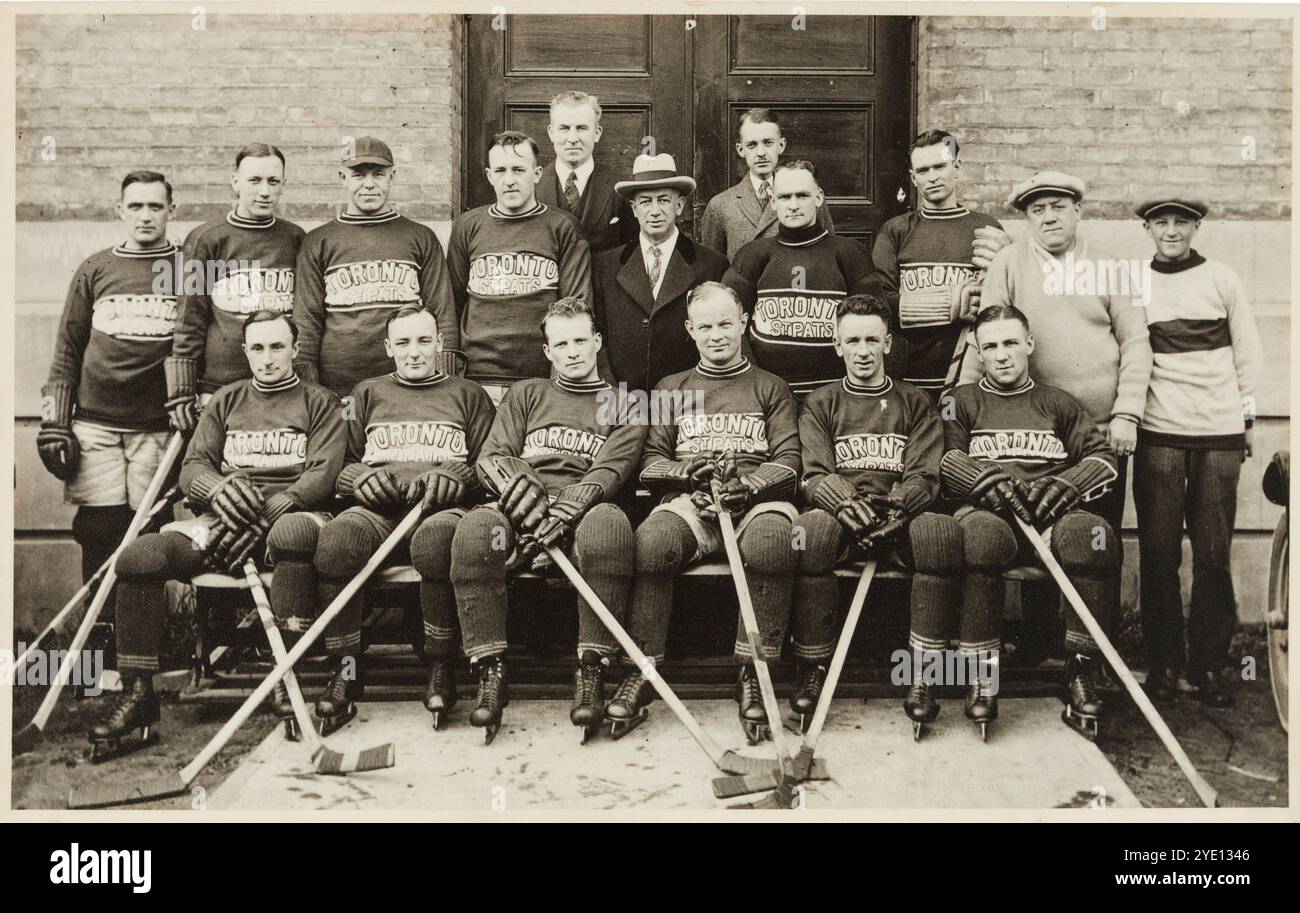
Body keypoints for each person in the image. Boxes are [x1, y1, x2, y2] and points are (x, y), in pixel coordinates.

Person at [90, 311, 343, 758]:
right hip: (222, 521)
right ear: (245, 352)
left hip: (290, 517)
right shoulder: (226, 400)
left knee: (292, 540)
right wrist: (219, 492)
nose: (268, 359)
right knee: (137, 559)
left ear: (295, 350)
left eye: (277, 347)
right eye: (258, 349)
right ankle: (139, 693)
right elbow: (193, 468)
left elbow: (323, 476)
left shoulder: (318, 402)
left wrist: (261, 517)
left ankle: (287, 680)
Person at [270, 306, 495, 734]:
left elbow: (489, 464)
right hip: (378, 511)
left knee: (435, 545)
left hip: (439, 509)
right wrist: (361, 479)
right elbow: (342, 462)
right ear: (388, 347)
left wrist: (456, 475)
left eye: (424, 341)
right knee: (336, 542)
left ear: (440, 344)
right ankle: (347, 670)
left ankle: (440, 664)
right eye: (404, 343)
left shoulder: (470, 395)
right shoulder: (363, 395)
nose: (415, 353)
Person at [451, 297, 647, 742]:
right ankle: (490, 671)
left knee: (609, 528)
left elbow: (611, 469)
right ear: (547, 352)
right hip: (521, 507)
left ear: (598, 342)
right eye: (561, 343)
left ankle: (592, 670)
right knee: (475, 529)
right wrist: (523, 494)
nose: (573, 351)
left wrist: (564, 510)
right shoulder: (527, 394)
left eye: (581, 340)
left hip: (582, 512)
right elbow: (493, 457)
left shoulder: (627, 403)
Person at [612, 282, 801, 743]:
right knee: (652, 542)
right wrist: (685, 475)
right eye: (706, 326)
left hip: (756, 503)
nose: (716, 335)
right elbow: (650, 464)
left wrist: (751, 485)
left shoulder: (770, 386)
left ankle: (755, 673)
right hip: (693, 500)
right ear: (690, 329)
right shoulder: (670, 387)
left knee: (773, 543)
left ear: (744, 323)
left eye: (725, 324)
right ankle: (644, 671)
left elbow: (791, 460)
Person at [942, 305, 1120, 740]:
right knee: (980, 537)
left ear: (1029, 345)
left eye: (1010, 343)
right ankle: (982, 672)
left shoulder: (1057, 402)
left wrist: (1067, 485)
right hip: (992, 515)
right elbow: (946, 460)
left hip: (1049, 518)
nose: (1002, 355)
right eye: (990, 347)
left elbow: (1103, 457)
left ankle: (1081, 670)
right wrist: (986, 482)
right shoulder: (959, 402)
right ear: (978, 353)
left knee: (1089, 537)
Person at [792, 295, 956, 738]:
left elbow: (925, 471)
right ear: (836, 345)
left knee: (939, 536)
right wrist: (846, 505)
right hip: (843, 515)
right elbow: (815, 472)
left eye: (871, 339)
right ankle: (813, 664)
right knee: (809, 534)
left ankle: (924, 672)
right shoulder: (820, 402)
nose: (862, 350)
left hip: (898, 515)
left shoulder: (916, 401)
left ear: (887, 344)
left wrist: (899, 509)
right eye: (852, 340)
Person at [959, 170, 1152, 544]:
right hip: (1033, 436)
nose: (1049, 217)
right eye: (1037, 209)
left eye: (1059, 207)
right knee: (1038, 539)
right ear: (1027, 218)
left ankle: (1098, 607)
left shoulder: (1109, 266)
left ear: (1077, 211)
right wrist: (965, 402)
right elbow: (985, 335)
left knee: (1098, 541)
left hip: (1100, 433)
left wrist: (1127, 413)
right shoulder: (1009, 263)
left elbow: (1136, 342)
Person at [1132, 197, 1261, 707]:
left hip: (1220, 433)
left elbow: (1248, 352)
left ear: (1196, 226)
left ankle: (1208, 665)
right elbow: (1128, 351)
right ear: (1147, 228)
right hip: (1159, 432)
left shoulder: (1223, 278)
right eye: (1160, 221)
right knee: (1159, 553)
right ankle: (1164, 663)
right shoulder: (1135, 283)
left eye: (1180, 221)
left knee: (1212, 554)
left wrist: (1248, 421)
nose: (1171, 230)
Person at [38, 171, 181, 629]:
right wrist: (55, 421)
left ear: (171, 212)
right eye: (135, 206)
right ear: (119, 210)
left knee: (146, 536)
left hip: (157, 426)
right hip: (96, 423)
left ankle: (144, 650)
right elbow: (68, 346)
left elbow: (197, 341)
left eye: (155, 206)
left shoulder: (188, 267)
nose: (145, 216)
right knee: (99, 531)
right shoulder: (95, 267)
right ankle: (98, 655)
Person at [293, 136, 456, 397]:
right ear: (342, 177)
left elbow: (442, 314)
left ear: (392, 176)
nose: (369, 184)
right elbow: (306, 322)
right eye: (358, 175)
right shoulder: (318, 241)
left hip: (410, 385)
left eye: (378, 174)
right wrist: (309, 392)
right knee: (346, 436)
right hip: (340, 388)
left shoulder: (420, 237)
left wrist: (442, 385)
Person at [166, 143, 305, 433]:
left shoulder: (294, 238)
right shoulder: (207, 239)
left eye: (273, 181)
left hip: (281, 385)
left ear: (283, 185)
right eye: (254, 180)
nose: (264, 191)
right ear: (235, 182)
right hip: (220, 386)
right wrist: (182, 389)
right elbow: (189, 318)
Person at [448, 131, 593, 406]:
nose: (509, 180)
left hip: (542, 375)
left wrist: (562, 376)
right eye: (500, 171)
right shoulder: (468, 226)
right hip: (479, 377)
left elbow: (577, 306)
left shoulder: (562, 226)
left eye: (519, 169)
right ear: (489, 176)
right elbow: (452, 303)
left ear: (537, 173)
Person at [872, 129, 1010, 398]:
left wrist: (1009, 261)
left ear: (957, 167)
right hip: (907, 375)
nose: (932, 177)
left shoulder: (986, 228)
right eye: (923, 171)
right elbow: (879, 303)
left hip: (967, 374)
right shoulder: (895, 230)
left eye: (940, 166)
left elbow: (1001, 306)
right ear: (913, 178)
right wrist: (950, 304)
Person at [723, 160, 879, 397]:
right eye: (785, 197)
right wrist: (753, 381)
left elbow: (876, 323)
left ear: (818, 198)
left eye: (802, 195)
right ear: (773, 202)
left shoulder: (850, 254)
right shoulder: (753, 254)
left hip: (835, 393)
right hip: (767, 394)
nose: (793, 205)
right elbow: (728, 323)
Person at [592, 152, 729, 393]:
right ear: (634, 209)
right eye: (645, 201)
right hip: (619, 396)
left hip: (687, 398)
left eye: (664, 200)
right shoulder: (606, 266)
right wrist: (610, 391)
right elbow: (597, 335)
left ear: (680, 205)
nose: (655, 211)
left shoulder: (712, 265)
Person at [698, 108, 835, 260]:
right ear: (740, 150)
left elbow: (829, 254)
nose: (761, 152)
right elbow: (712, 269)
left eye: (768, 143)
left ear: (781, 145)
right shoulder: (720, 205)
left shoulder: (807, 197)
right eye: (752, 145)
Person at [534, 90, 635, 254]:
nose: (573, 138)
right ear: (551, 133)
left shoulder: (619, 189)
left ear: (597, 133)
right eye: (564, 128)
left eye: (581, 128)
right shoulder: (533, 186)